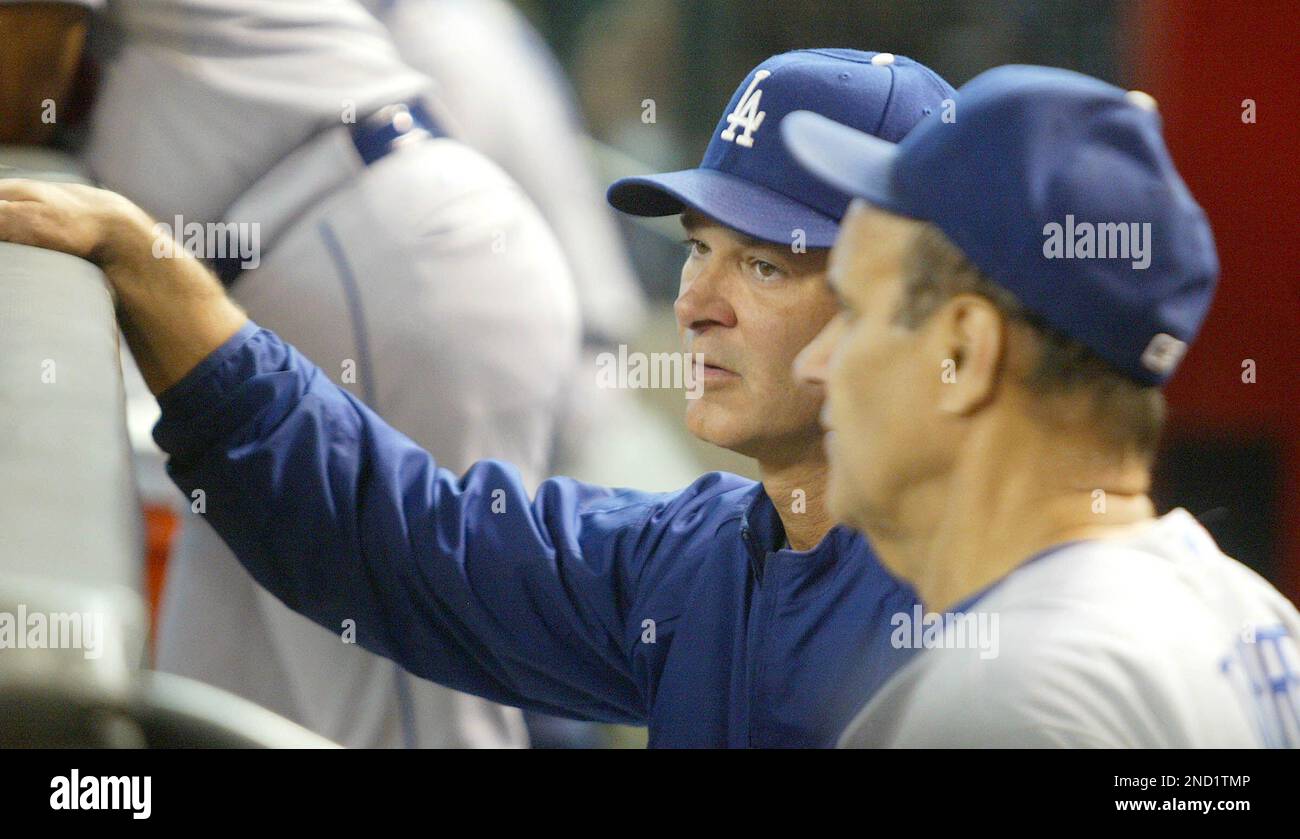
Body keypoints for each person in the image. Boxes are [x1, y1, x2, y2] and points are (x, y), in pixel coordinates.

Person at [0, 49, 956, 748]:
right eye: (698, 248)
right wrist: (146, 266)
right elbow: (410, 541)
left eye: (762, 265)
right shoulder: (710, 555)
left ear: (908, 302)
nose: (697, 305)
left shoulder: (983, 616)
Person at [14, 0, 582, 748]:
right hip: (299, 277)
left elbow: (24, 55)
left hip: (383, 266)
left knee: (413, 727)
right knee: (210, 710)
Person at [782, 65, 1300, 747]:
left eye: (851, 310)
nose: (812, 364)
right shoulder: (1257, 623)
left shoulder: (1003, 704)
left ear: (964, 354)